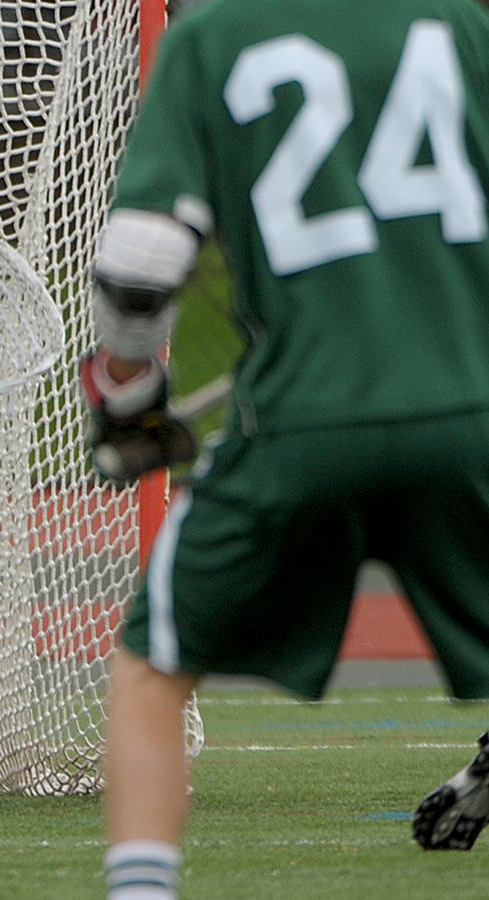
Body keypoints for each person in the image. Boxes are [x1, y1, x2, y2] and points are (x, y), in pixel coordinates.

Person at [78, 0, 489, 896]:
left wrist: (130, 398)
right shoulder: (461, 25)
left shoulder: (211, 39)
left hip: (299, 421)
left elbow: (141, 260)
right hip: (474, 411)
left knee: (155, 665)